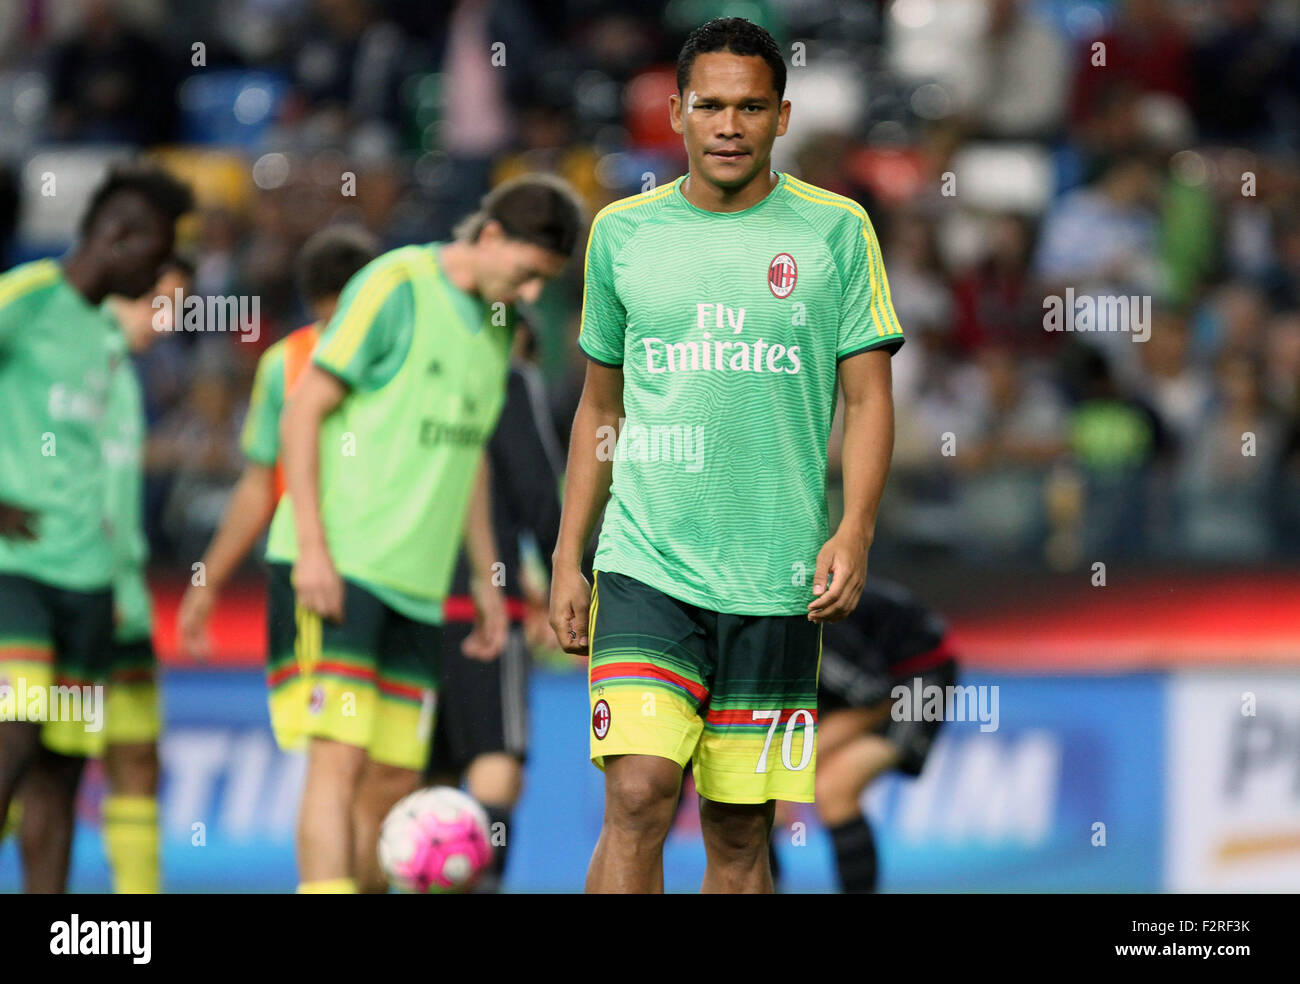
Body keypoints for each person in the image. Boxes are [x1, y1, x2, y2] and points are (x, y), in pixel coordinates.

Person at [548, 17, 904, 894]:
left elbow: (868, 399)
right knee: (638, 792)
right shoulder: (622, 235)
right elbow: (602, 406)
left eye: (751, 107)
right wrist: (568, 556)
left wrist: (853, 530)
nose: (729, 124)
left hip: (776, 576)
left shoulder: (837, 232)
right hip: (645, 561)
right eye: (710, 104)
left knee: (740, 835)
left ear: (782, 116)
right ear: (674, 112)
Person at [271, 174, 584, 893]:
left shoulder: (492, 333)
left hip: (418, 586)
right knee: (339, 760)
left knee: (392, 779)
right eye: (530, 275)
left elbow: (467, 455)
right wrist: (313, 548)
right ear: (493, 235)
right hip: (343, 565)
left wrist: (484, 576)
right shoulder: (397, 285)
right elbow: (304, 410)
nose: (532, 294)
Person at [0, 162, 191, 892]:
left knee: (57, 775)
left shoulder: (105, 341)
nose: (160, 271)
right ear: (119, 237)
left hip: (87, 589)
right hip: (16, 572)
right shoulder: (25, 300)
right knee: (12, 736)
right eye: (159, 250)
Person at [175, 226, 382, 757]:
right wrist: (208, 580)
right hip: (329, 573)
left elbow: (257, 486)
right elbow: (261, 484)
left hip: (363, 573)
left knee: (359, 755)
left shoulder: (287, 363)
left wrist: (206, 582)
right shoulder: (297, 362)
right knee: (343, 754)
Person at [424, 321, 565, 893]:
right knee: (494, 757)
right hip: (482, 607)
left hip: (405, 598)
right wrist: (567, 577)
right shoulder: (508, 380)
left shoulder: (415, 383)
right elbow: (536, 491)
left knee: (422, 771)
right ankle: (481, 884)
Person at [810, 576, 957, 893]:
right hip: (871, 680)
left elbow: (875, 695)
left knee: (835, 787)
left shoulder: (814, 627)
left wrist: (812, 749)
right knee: (775, 789)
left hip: (917, 681)